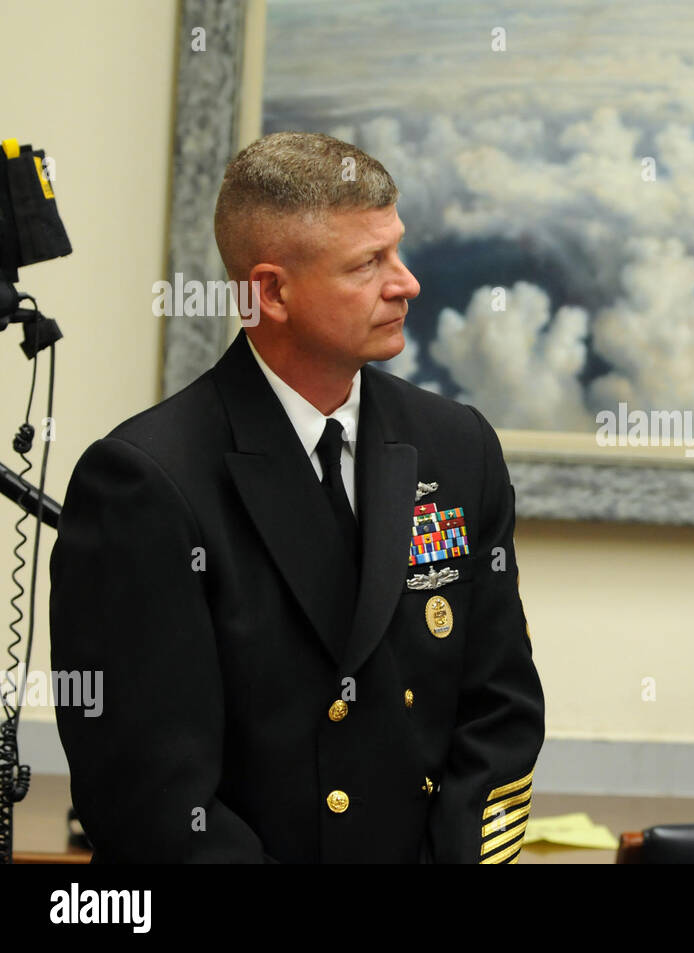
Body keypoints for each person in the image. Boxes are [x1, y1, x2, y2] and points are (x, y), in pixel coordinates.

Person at [49, 132, 544, 863]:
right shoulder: (146, 481)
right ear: (272, 292)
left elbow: (500, 711)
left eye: (396, 250)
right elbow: (149, 794)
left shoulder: (457, 446)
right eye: (367, 264)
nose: (404, 282)